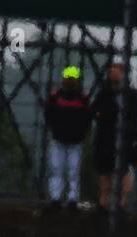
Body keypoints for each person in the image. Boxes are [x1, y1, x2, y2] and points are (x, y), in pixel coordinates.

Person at [92, 62, 137, 211]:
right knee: (104, 170)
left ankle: (122, 202)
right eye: (111, 72)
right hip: (106, 137)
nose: (112, 74)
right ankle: (103, 201)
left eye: (116, 72)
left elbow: (135, 116)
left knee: (123, 170)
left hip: (123, 137)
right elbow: (95, 110)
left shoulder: (130, 95)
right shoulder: (105, 93)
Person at [43, 66, 91, 209]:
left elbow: (48, 115)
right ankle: (63, 198)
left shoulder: (59, 97)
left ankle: (66, 198)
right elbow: (86, 118)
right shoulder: (77, 98)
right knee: (64, 170)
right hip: (65, 139)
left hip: (69, 139)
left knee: (68, 170)